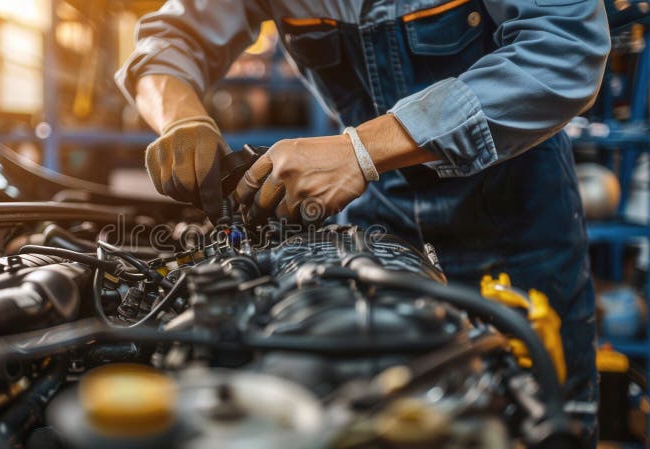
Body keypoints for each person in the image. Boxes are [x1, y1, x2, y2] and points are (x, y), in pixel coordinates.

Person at [115, 0, 610, 445]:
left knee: (541, 419)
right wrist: (182, 117)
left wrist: (360, 151)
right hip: (378, 217)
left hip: (518, 220)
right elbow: (169, 39)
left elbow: (566, 45)